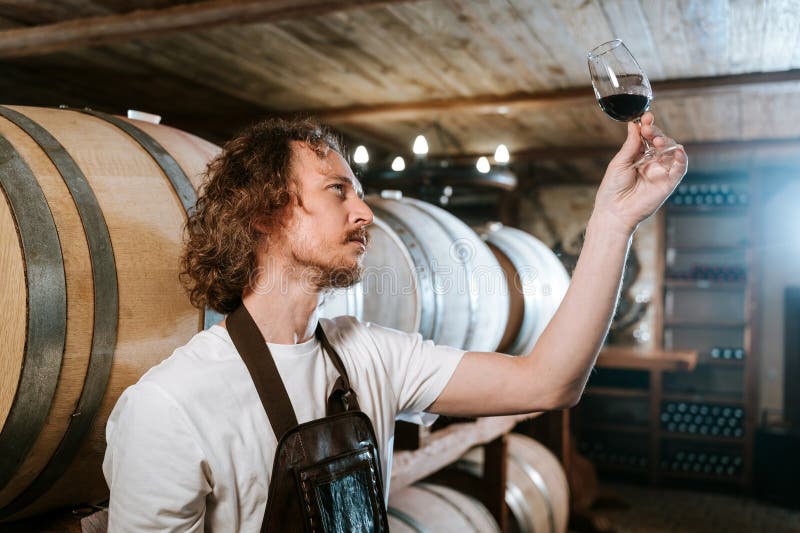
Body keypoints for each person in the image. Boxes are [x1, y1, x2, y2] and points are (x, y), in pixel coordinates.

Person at [102, 112, 686, 531]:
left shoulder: (369, 354)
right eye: (338, 192)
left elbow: (549, 381)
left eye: (360, 194)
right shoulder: (168, 407)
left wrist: (614, 222)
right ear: (264, 214)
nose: (365, 213)